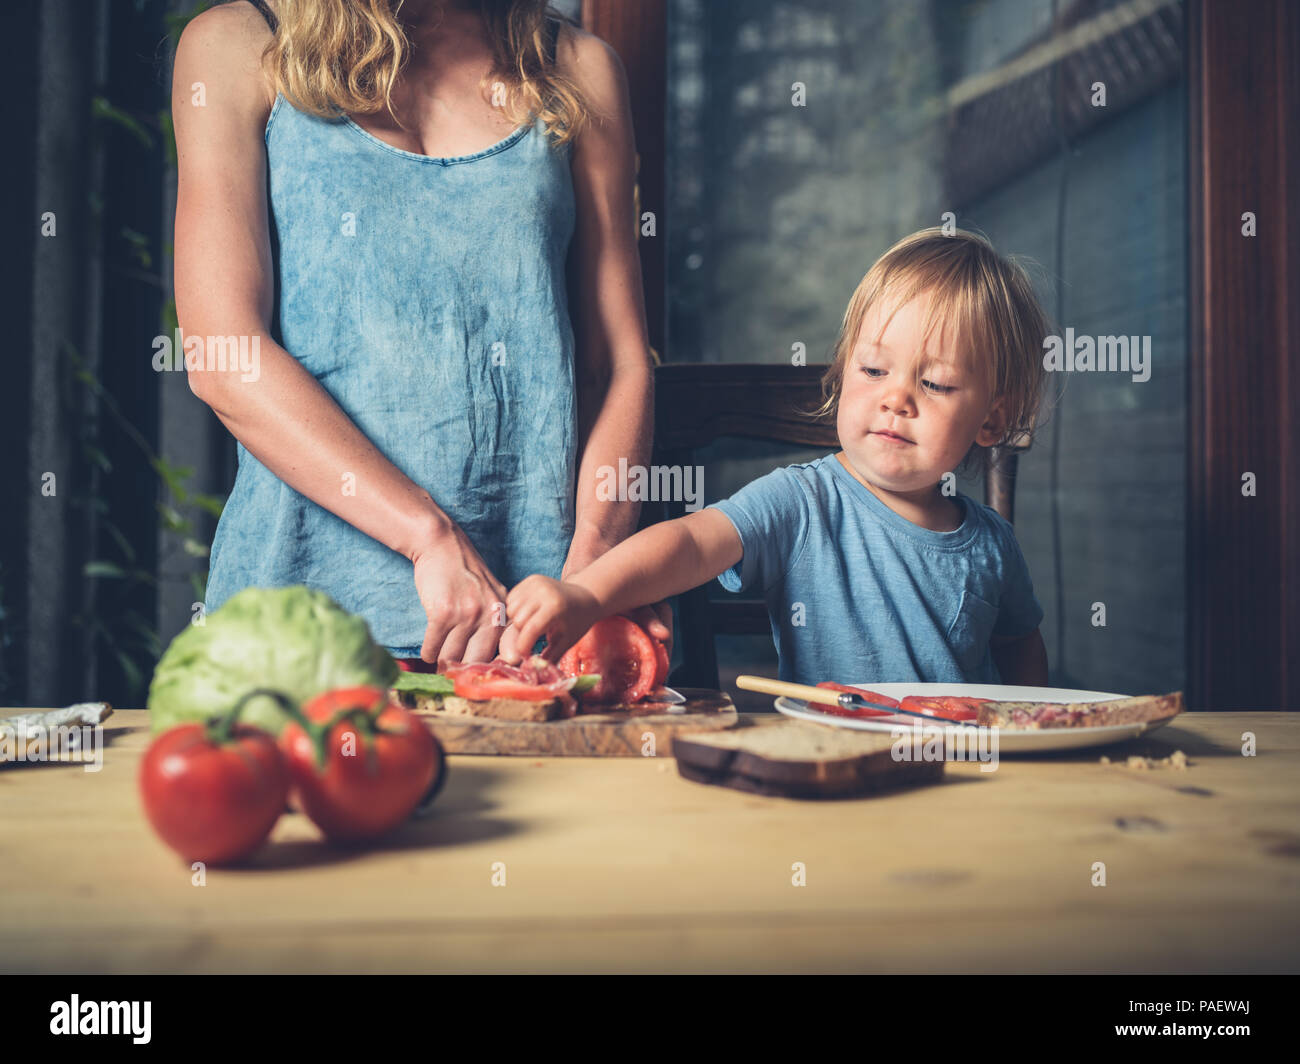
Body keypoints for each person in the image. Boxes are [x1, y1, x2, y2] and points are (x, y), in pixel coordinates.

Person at [173, 0, 670, 670]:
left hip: (529, 635)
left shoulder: (577, 67)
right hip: (297, 626)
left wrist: (593, 568)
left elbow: (618, 364)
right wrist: (426, 535)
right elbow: (223, 356)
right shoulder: (238, 44)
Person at [501, 228, 1050, 687]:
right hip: (826, 776)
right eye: (874, 370)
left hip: (958, 788)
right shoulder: (801, 501)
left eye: (935, 383)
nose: (896, 398)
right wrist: (585, 594)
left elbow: (1021, 649)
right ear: (842, 374)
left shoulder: (994, 546)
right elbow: (690, 543)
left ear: (992, 421)